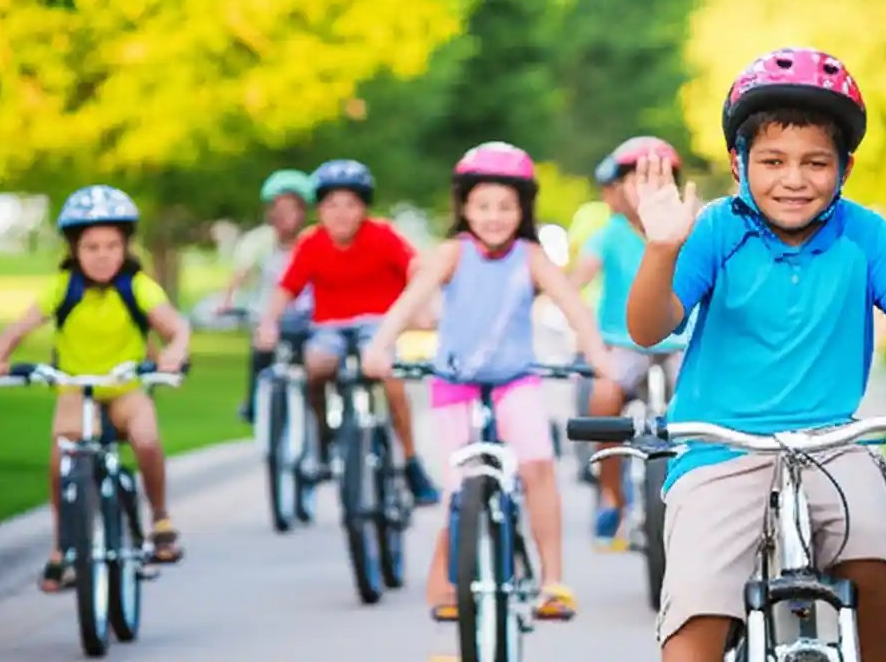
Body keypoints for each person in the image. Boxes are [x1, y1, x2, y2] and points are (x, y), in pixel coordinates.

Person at [624, 47, 886, 662]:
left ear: (845, 168)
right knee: (697, 607)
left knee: (878, 555)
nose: (793, 179)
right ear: (737, 162)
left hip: (832, 443)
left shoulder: (864, 233)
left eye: (814, 163)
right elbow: (648, 327)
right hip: (723, 448)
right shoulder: (716, 228)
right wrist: (662, 248)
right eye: (772, 161)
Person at [361, 141, 615, 621]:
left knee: (538, 465)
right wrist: (380, 345)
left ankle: (552, 581)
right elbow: (408, 301)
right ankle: (455, 581)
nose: (494, 216)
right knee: (460, 486)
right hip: (454, 382)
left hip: (514, 380)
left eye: (505, 206)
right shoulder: (451, 254)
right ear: (464, 207)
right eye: (482, 206)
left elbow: (572, 306)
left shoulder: (530, 256)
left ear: (523, 209)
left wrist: (599, 357)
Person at [0, 185, 191, 592]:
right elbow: (20, 326)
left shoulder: (138, 286)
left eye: (112, 245)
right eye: (91, 246)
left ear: (126, 246)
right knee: (61, 459)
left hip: (126, 388)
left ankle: (161, 521)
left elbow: (175, 325)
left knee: (147, 438)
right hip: (76, 390)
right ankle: (62, 547)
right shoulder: (63, 287)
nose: (102, 255)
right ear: (75, 249)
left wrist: (174, 353)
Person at [257, 159, 440, 505]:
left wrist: (423, 309)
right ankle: (325, 441)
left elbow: (417, 270)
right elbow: (286, 290)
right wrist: (268, 323)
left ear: (364, 209)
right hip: (330, 326)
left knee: (390, 377)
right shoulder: (312, 243)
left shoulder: (383, 236)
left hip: (377, 324)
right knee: (316, 366)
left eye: (350, 205)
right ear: (320, 210)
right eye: (331, 205)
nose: (341, 214)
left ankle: (412, 461)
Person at [570, 136, 694, 550]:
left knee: (702, 404)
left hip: (680, 342)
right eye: (631, 181)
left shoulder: (688, 229)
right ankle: (611, 496)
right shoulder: (609, 234)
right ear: (617, 192)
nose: (642, 190)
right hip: (624, 343)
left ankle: (699, 487)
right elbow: (576, 284)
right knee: (604, 395)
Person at [216, 169, 316, 422]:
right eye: (279, 209)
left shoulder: (312, 240)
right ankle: (253, 402)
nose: (285, 217)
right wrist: (226, 301)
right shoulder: (260, 241)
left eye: (292, 209)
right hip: (266, 312)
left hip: (306, 314)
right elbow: (240, 273)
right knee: (261, 350)